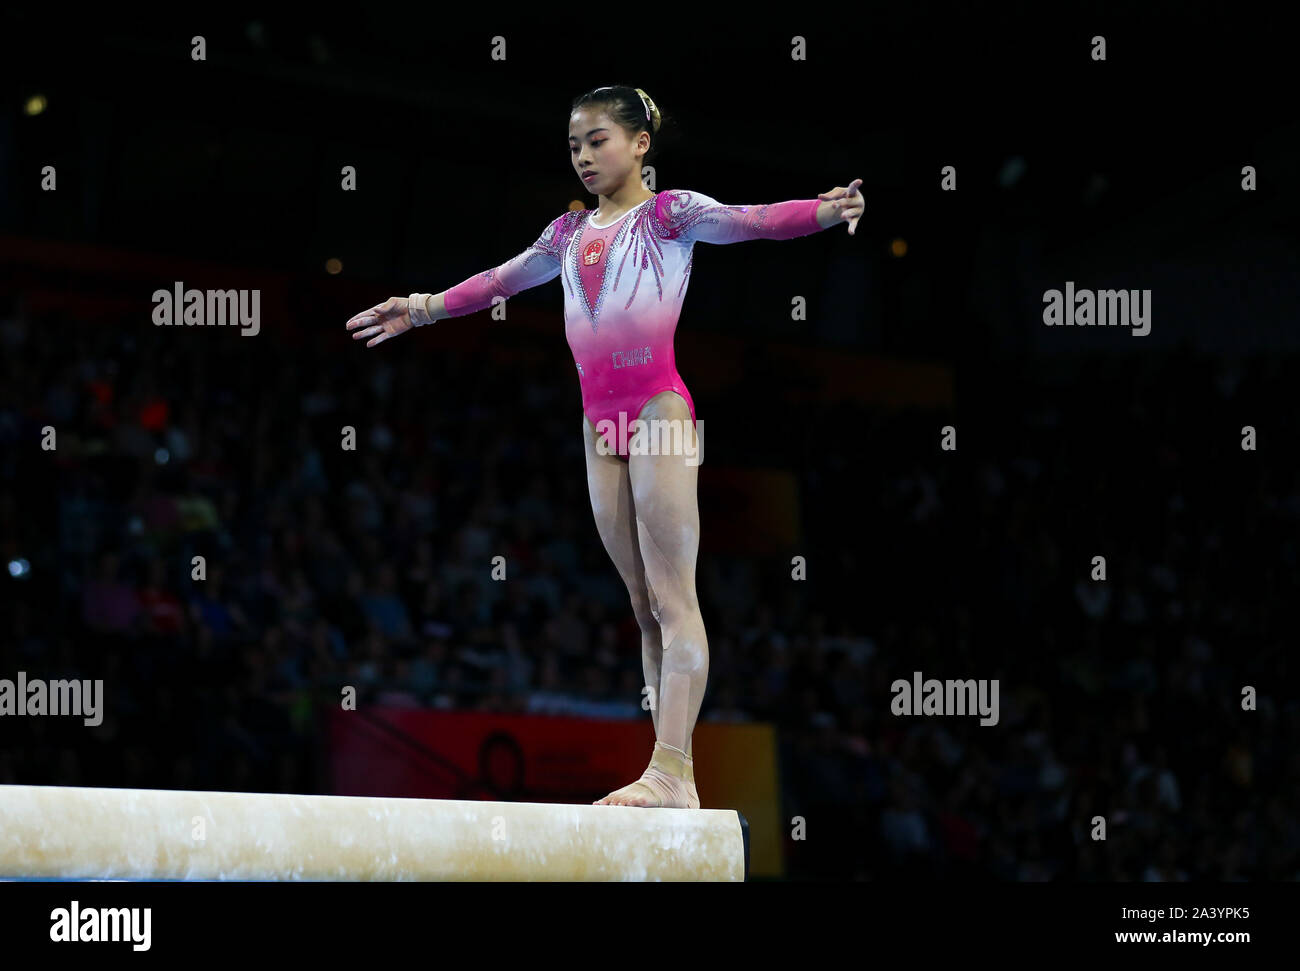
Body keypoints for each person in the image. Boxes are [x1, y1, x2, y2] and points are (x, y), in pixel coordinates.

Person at [346, 84, 863, 808]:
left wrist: (824, 208)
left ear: (640, 143)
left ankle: (673, 769)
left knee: (675, 594)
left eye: (597, 140)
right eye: (573, 146)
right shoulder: (564, 235)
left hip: (656, 408)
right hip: (600, 422)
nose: (584, 156)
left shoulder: (670, 214)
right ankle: (668, 771)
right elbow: (502, 279)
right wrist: (424, 307)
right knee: (643, 604)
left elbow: (750, 222)